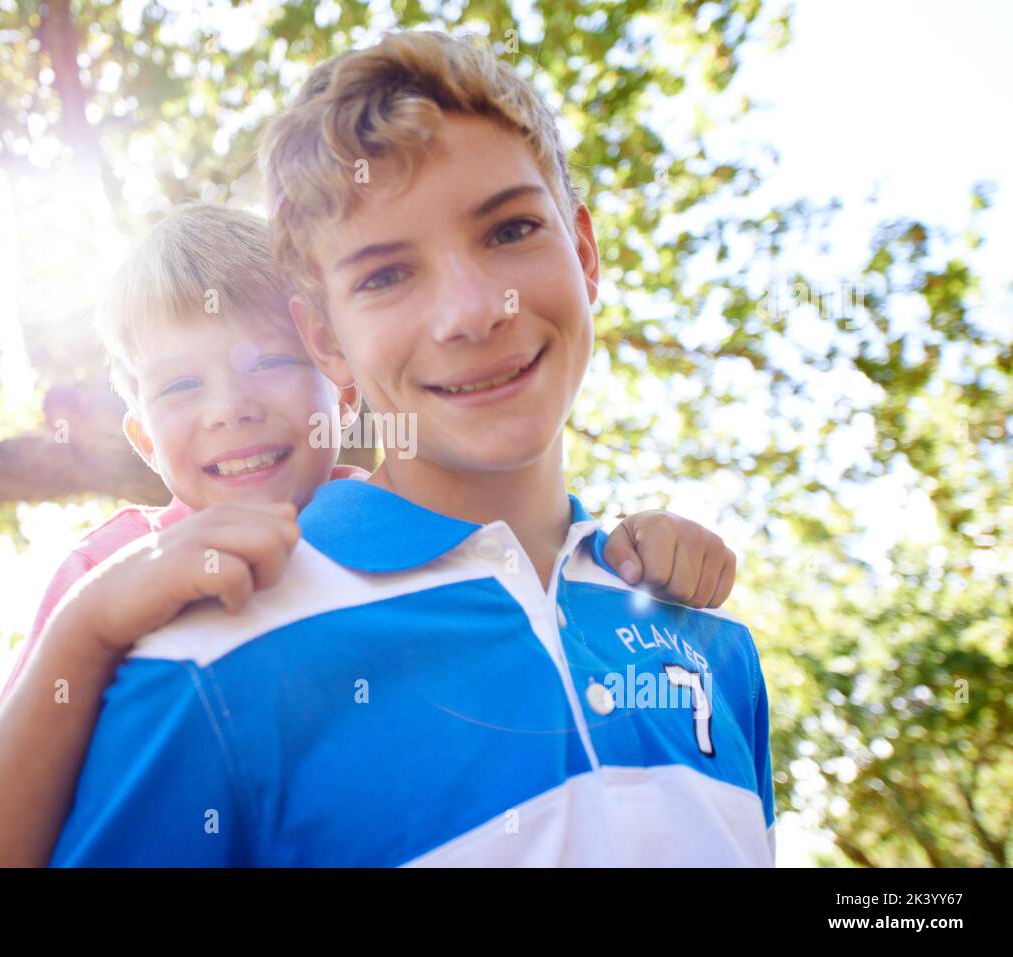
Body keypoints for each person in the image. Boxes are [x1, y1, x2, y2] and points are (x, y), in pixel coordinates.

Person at [39, 30, 775, 867]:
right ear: (324, 337)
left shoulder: (711, 644)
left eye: (509, 230)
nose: (470, 310)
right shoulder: (199, 660)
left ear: (585, 251)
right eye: (385, 276)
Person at [0, 201, 738, 867]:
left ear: (340, 384)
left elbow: (535, 571)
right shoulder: (111, 569)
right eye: (181, 383)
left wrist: (636, 549)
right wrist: (86, 629)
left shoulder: (420, 533)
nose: (230, 406)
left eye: (269, 362)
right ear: (144, 442)